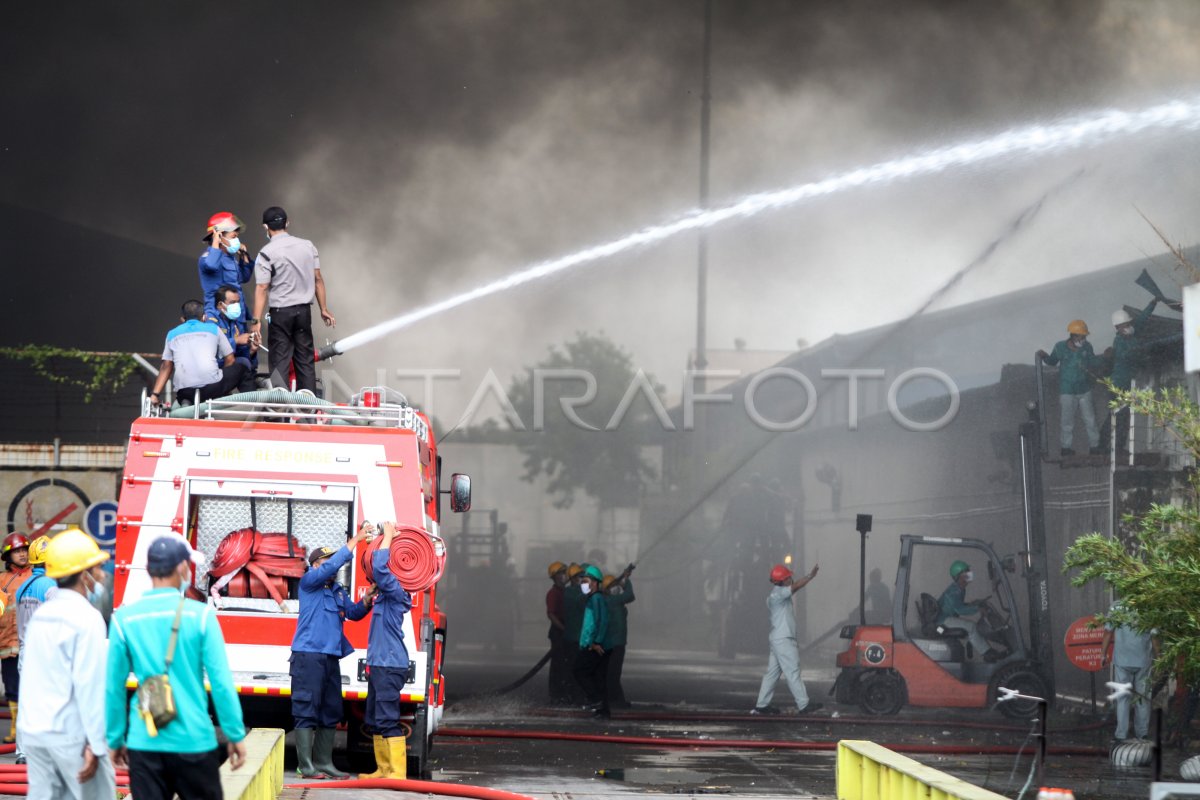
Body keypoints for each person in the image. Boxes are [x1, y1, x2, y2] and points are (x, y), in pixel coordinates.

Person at [107, 536, 247, 799]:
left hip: (144, 740)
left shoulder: (124, 619)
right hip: (194, 740)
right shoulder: (202, 616)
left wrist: (114, 738)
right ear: (183, 568)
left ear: (149, 570)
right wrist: (234, 734)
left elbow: (112, 687)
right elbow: (221, 683)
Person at [17, 528, 114, 800]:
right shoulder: (87, 618)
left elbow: (30, 681)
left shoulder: (42, 617)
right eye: (98, 568)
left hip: (35, 735)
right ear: (84, 575)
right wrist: (95, 744)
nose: (103, 575)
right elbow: (90, 686)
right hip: (71, 736)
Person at [290, 523, 376, 779]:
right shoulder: (309, 583)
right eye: (326, 562)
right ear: (316, 565)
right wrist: (356, 540)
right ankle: (306, 766)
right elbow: (331, 565)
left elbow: (353, 614)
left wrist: (367, 599)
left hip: (330, 657)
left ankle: (324, 763)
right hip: (308, 656)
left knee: (330, 710)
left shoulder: (337, 591)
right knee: (306, 708)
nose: (332, 568)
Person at [249, 206, 335, 392]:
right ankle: (308, 409)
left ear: (265, 227)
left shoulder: (266, 253)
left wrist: (255, 321)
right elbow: (318, 279)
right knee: (305, 361)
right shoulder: (307, 246)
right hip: (304, 312)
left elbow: (262, 287)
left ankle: (281, 413)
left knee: (280, 362)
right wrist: (324, 309)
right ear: (287, 223)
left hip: (281, 314)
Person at [358, 522, 412, 781]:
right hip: (379, 664)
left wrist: (389, 536)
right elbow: (375, 570)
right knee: (376, 718)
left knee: (388, 717)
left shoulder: (398, 594)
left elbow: (380, 567)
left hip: (391, 665)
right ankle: (382, 769)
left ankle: (397, 773)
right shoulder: (384, 596)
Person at [751, 563, 823, 715]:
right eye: (788, 577)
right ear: (782, 581)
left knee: (772, 674)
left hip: (777, 638)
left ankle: (762, 705)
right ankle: (804, 704)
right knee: (793, 671)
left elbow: (793, 589)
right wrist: (810, 576)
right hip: (784, 639)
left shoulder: (775, 595)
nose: (791, 579)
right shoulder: (779, 594)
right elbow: (796, 587)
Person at [149, 299, 248, 407]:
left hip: (185, 393)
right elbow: (230, 359)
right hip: (212, 388)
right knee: (243, 367)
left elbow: (166, 366)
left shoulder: (172, 334)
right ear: (204, 317)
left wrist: (155, 395)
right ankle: (252, 409)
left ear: (182, 319)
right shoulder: (214, 329)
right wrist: (221, 382)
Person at [1037, 320, 1104, 456]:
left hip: (1084, 389)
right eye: (1081, 336)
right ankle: (1066, 448)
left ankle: (1094, 446)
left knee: (1090, 419)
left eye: (1084, 336)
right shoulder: (1060, 347)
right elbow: (1052, 361)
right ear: (1073, 335)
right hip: (1067, 390)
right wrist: (1044, 356)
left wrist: (1106, 358)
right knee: (1067, 421)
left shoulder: (1087, 347)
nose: (1083, 339)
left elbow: (1093, 362)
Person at [1104, 301, 1159, 457]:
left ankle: (1118, 447)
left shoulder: (1132, 333)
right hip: (1117, 387)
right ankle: (1104, 445)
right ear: (1117, 328)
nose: (1128, 327)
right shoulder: (1119, 343)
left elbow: (1142, 318)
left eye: (1129, 324)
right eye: (1124, 325)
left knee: (1124, 418)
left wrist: (1153, 302)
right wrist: (1143, 353)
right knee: (1116, 417)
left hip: (1127, 386)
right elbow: (1128, 356)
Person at [1101, 607, 1158, 742]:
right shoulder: (1149, 608)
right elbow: (1154, 636)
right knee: (1142, 698)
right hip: (1143, 661)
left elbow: (1108, 632)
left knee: (1122, 698)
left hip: (1122, 661)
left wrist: (1103, 654)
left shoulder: (1117, 607)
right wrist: (1160, 657)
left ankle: (1121, 734)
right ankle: (1142, 734)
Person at [0, 533, 32, 746]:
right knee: (12, 687)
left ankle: (27, 730)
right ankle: (14, 728)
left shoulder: (36, 577)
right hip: (7, 645)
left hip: (29, 644)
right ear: (8, 556)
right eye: (17, 551)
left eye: (24, 550)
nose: (21, 554)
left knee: (31, 688)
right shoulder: (2, 580)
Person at [937, 560, 1001, 662]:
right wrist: (977, 609)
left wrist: (974, 604)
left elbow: (958, 606)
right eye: (966, 571)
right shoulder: (954, 591)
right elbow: (959, 610)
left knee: (970, 627)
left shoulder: (960, 589)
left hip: (947, 618)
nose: (970, 573)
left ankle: (983, 650)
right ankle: (988, 653)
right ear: (959, 576)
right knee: (971, 627)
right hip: (943, 621)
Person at [198, 212, 254, 323]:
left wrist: (244, 256)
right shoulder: (207, 258)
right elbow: (211, 265)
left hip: (237, 316)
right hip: (219, 316)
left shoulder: (231, 258)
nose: (237, 241)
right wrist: (215, 242)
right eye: (234, 237)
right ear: (219, 235)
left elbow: (244, 278)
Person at [573, 565, 611, 718]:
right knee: (597, 677)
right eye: (582, 581)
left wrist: (596, 642)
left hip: (594, 646)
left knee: (579, 671)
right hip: (591, 644)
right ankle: (603, 711)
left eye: (586, 580)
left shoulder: (596, 599)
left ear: (595, 583)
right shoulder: (592, 598)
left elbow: (602, 621)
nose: (583, 584)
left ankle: (595, 701)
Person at [211, 283, 260, 393]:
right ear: (220, 305)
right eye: (232, 303)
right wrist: (236, 341)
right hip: (214, 366)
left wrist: (252, 350)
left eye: (238, 302)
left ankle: (252, 401)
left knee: (244, 362)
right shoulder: (211, 322)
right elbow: (212, 347)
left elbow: (241, 353)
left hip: (230, 364)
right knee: (242, 363)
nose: (237, 306)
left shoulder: (236, 323)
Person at [602, 566, 636, 709]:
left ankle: (614, 698)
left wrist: (623, 578)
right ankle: (615, 700)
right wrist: (626, 581)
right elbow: (630, 596)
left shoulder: (608, 600)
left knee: (612, 672)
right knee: (613, 673)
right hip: (615, 643)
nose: (616, 588)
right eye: (613, 586)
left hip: (612, 642)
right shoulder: (613, 601)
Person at [545, 561, 573, 705]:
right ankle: (556, 694)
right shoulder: (553, 593)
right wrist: (562, 628)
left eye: (565, 573)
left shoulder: (564, 591)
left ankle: (564, 693)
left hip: (565, 630)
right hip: (558, 632)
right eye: (562, 573)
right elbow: (551, 614)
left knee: (566, 664)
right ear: (555, 577)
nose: (564, 576)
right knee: (558, 665)